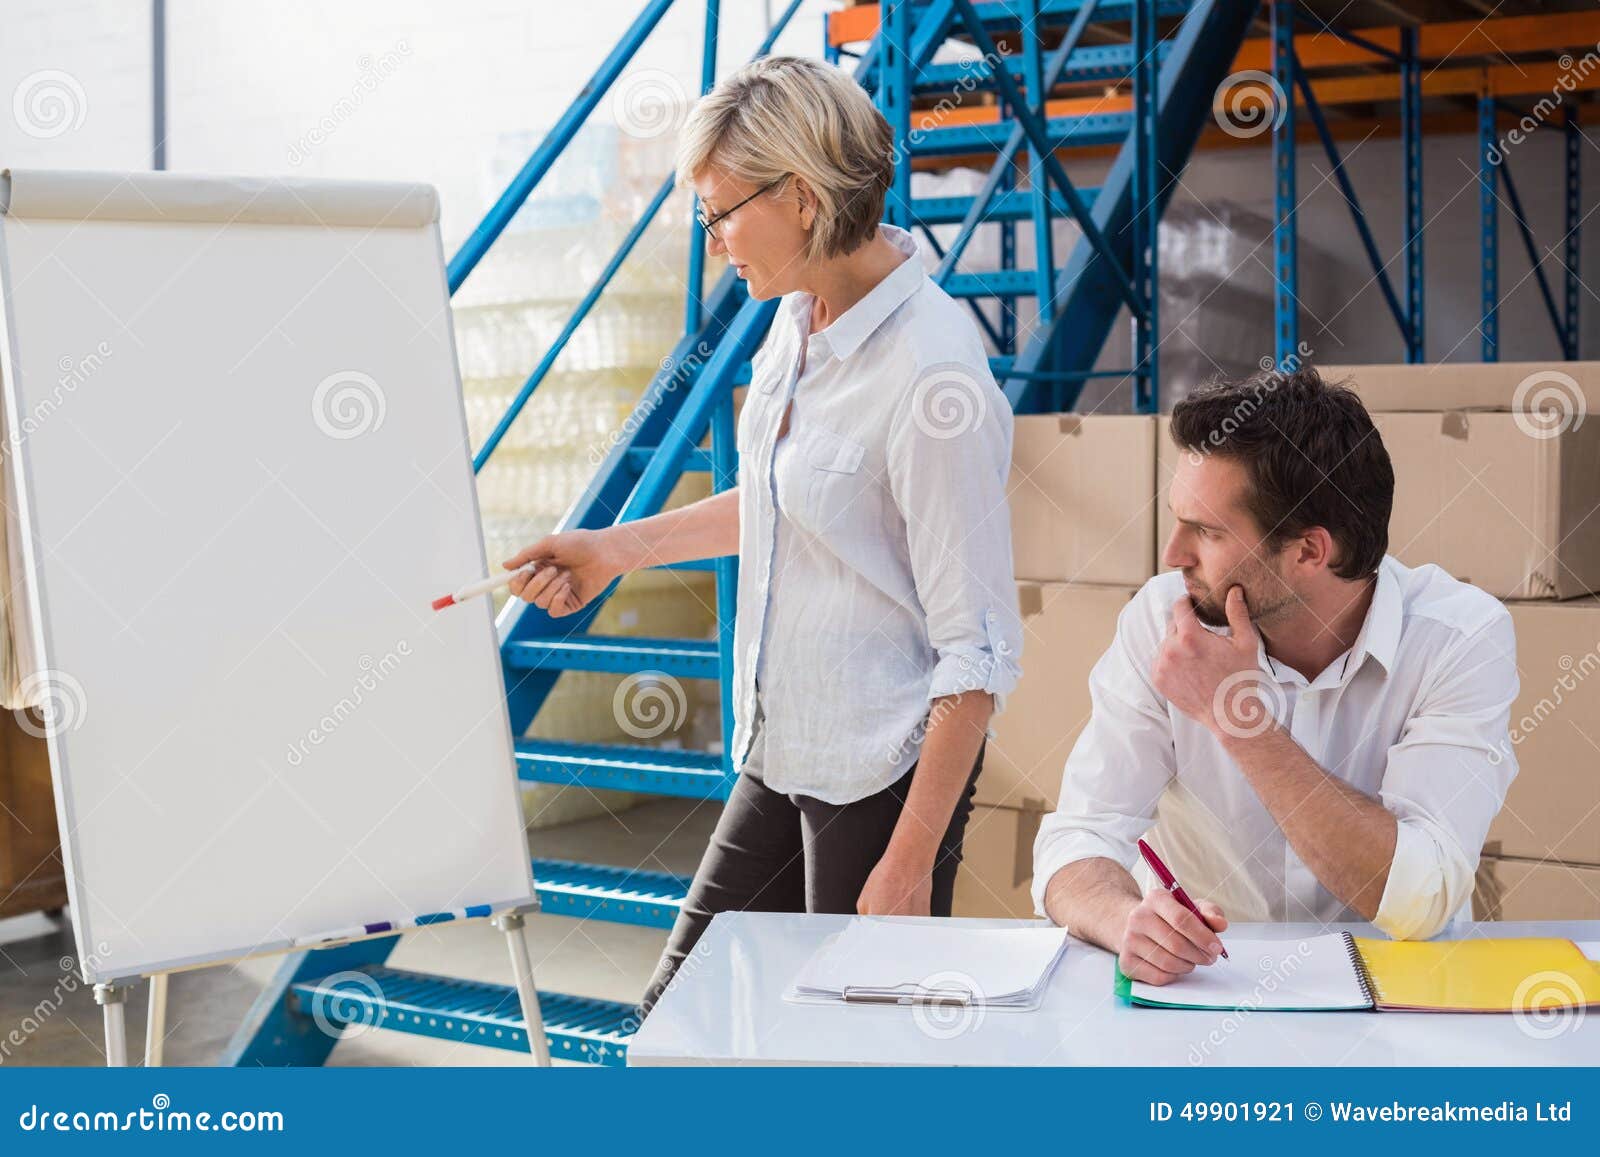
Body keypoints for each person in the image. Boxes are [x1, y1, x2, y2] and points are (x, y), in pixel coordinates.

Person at [501, 56, 1021, 1015]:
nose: (712, 244)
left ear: (806, 198)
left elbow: (977, 657)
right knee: (679, 1021)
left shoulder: (933, 379)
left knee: (848, 1075)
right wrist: (612, 549)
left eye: (723, 215)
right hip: (781, 749)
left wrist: (908, 865)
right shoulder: (795, 316)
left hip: (881, 776)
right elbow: (787, 503)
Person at [1033, 366, 1519, 985]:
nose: (1172, 554)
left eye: (1206, 531)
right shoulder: (1162, 620)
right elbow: (1079, 837)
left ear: (1310, 551)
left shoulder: (1458, 638)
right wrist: (1123, 918)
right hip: (1209, 984)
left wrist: (1238, 720)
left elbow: (1420, 897)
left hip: (1396, 989)